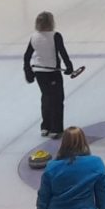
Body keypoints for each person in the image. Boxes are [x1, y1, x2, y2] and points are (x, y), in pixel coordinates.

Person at [24, 11, 78, 140]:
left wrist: (27, 71)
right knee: (57, 100)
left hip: (39, 72)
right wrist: (69, 66)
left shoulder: (34, 36)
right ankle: (56, 129)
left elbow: (27, 56)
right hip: (53, 73)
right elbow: (62, 53)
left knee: (46, 98)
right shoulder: (55, 36)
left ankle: (45, 126)